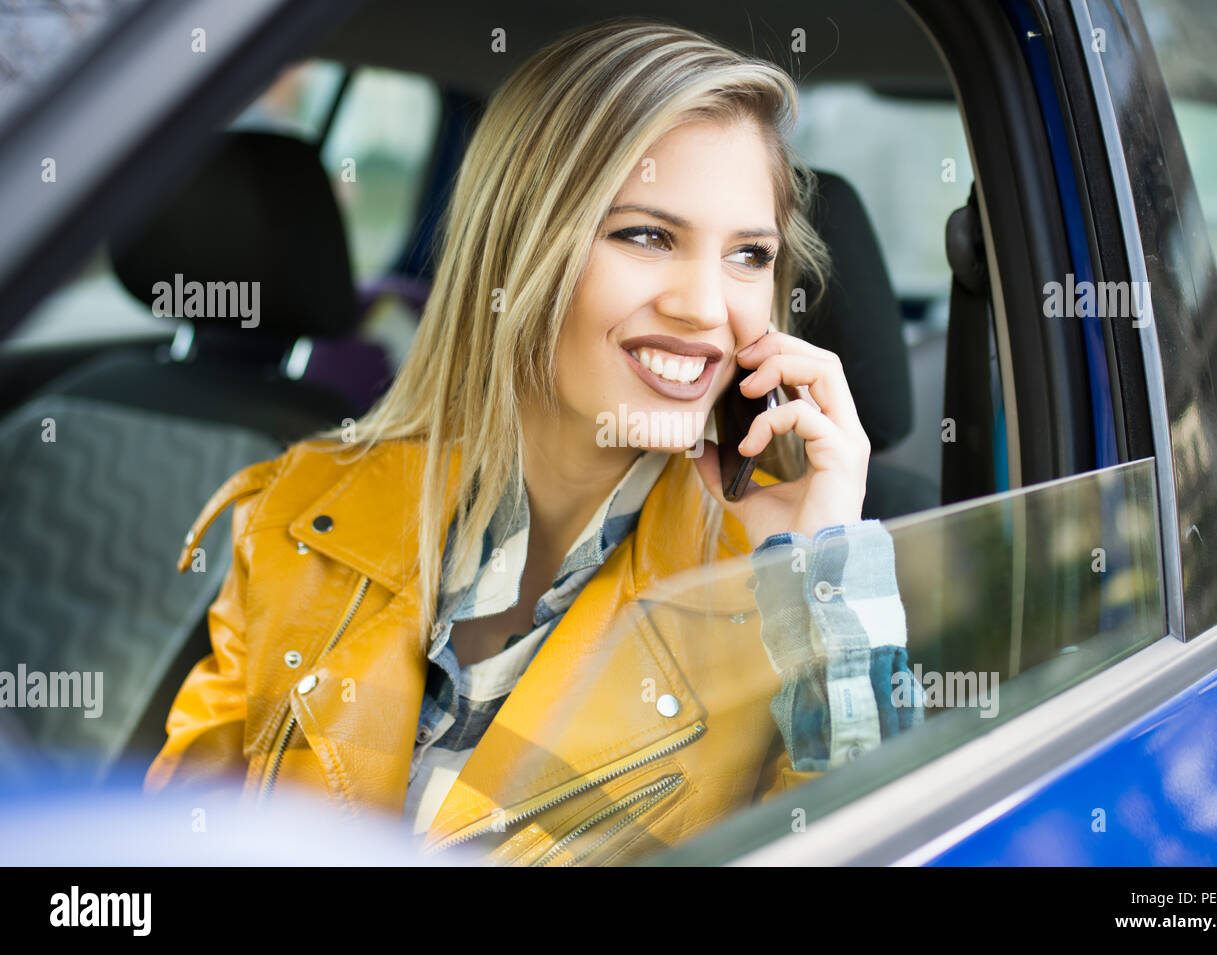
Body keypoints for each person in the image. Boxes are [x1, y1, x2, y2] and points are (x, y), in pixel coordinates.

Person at [145, 18, 921, 866]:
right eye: (646, 235)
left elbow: (881, 839)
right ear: (516, 251)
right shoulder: (300, 508)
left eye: (748, 255)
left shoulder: (785, 584)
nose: (706, 307)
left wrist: (822, 576)